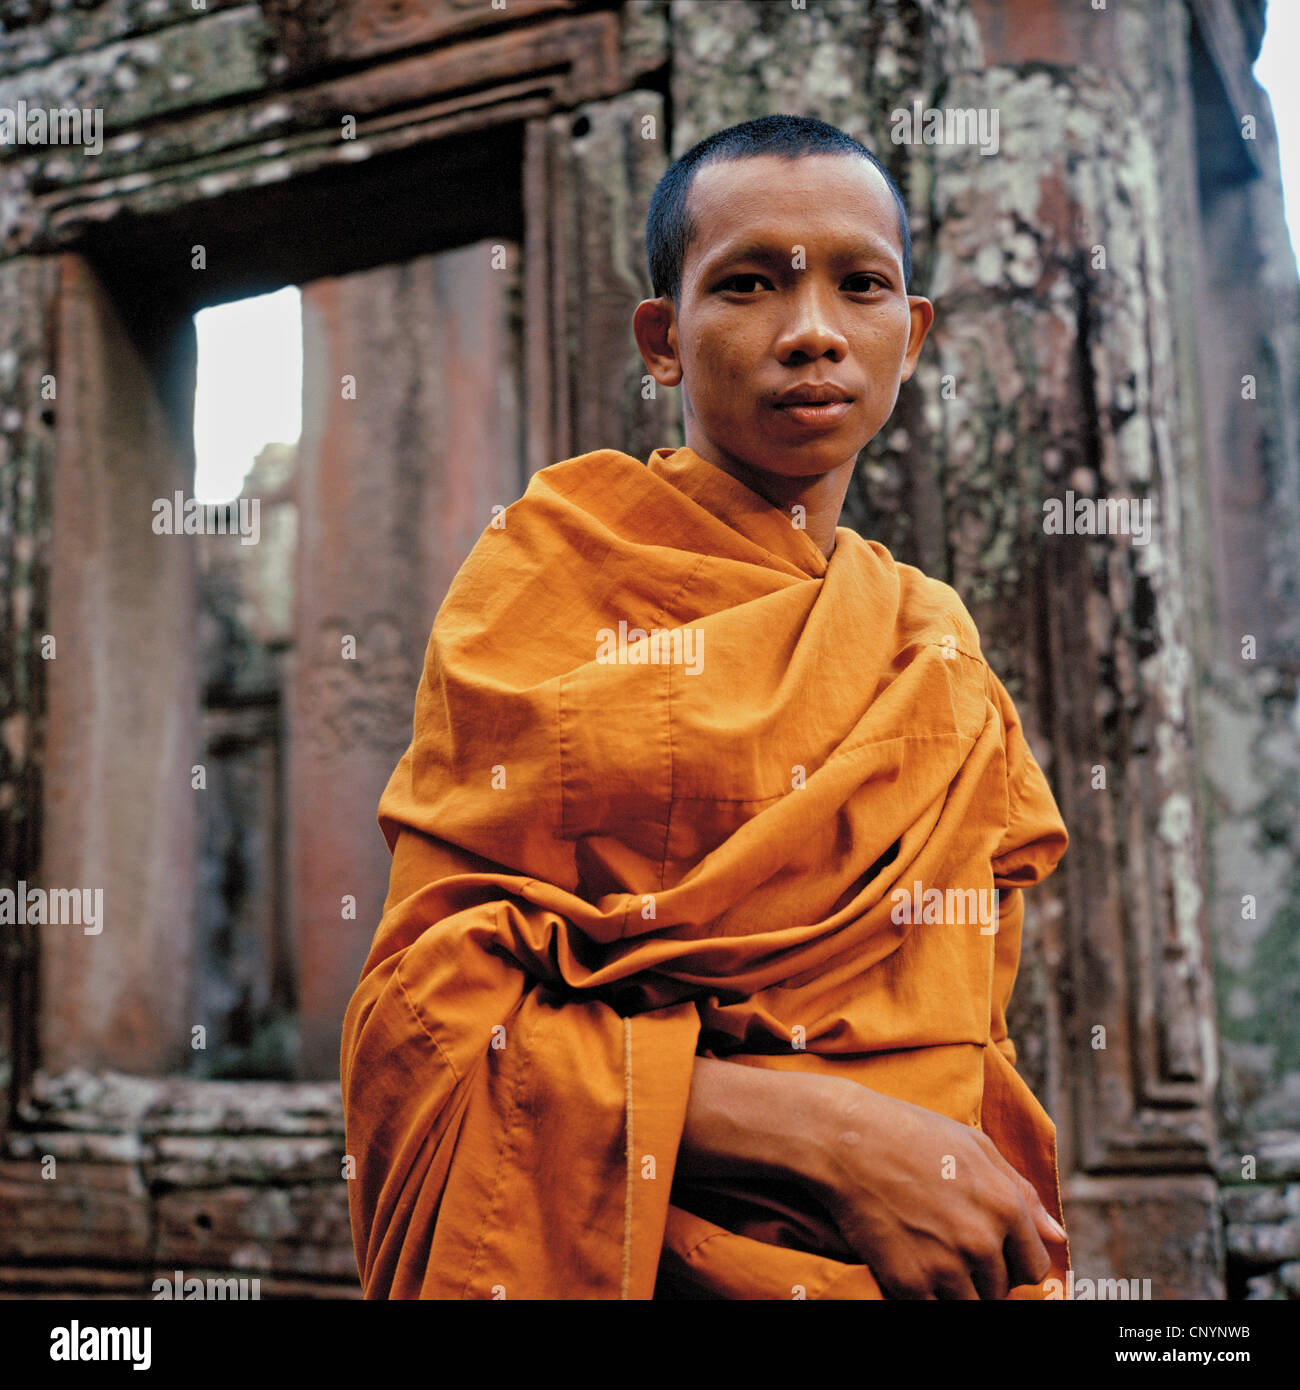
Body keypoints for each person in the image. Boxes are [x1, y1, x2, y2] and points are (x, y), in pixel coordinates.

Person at [340, 113, 1071, 1300]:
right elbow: (423, 1023)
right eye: (747, 284)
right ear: (664, 337)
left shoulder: (928, 639)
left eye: (861, 285)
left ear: (911, 333)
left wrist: (920, 1165)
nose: (814, 332)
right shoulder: (550, 580)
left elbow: (954, 1034)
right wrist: (817, 1135)